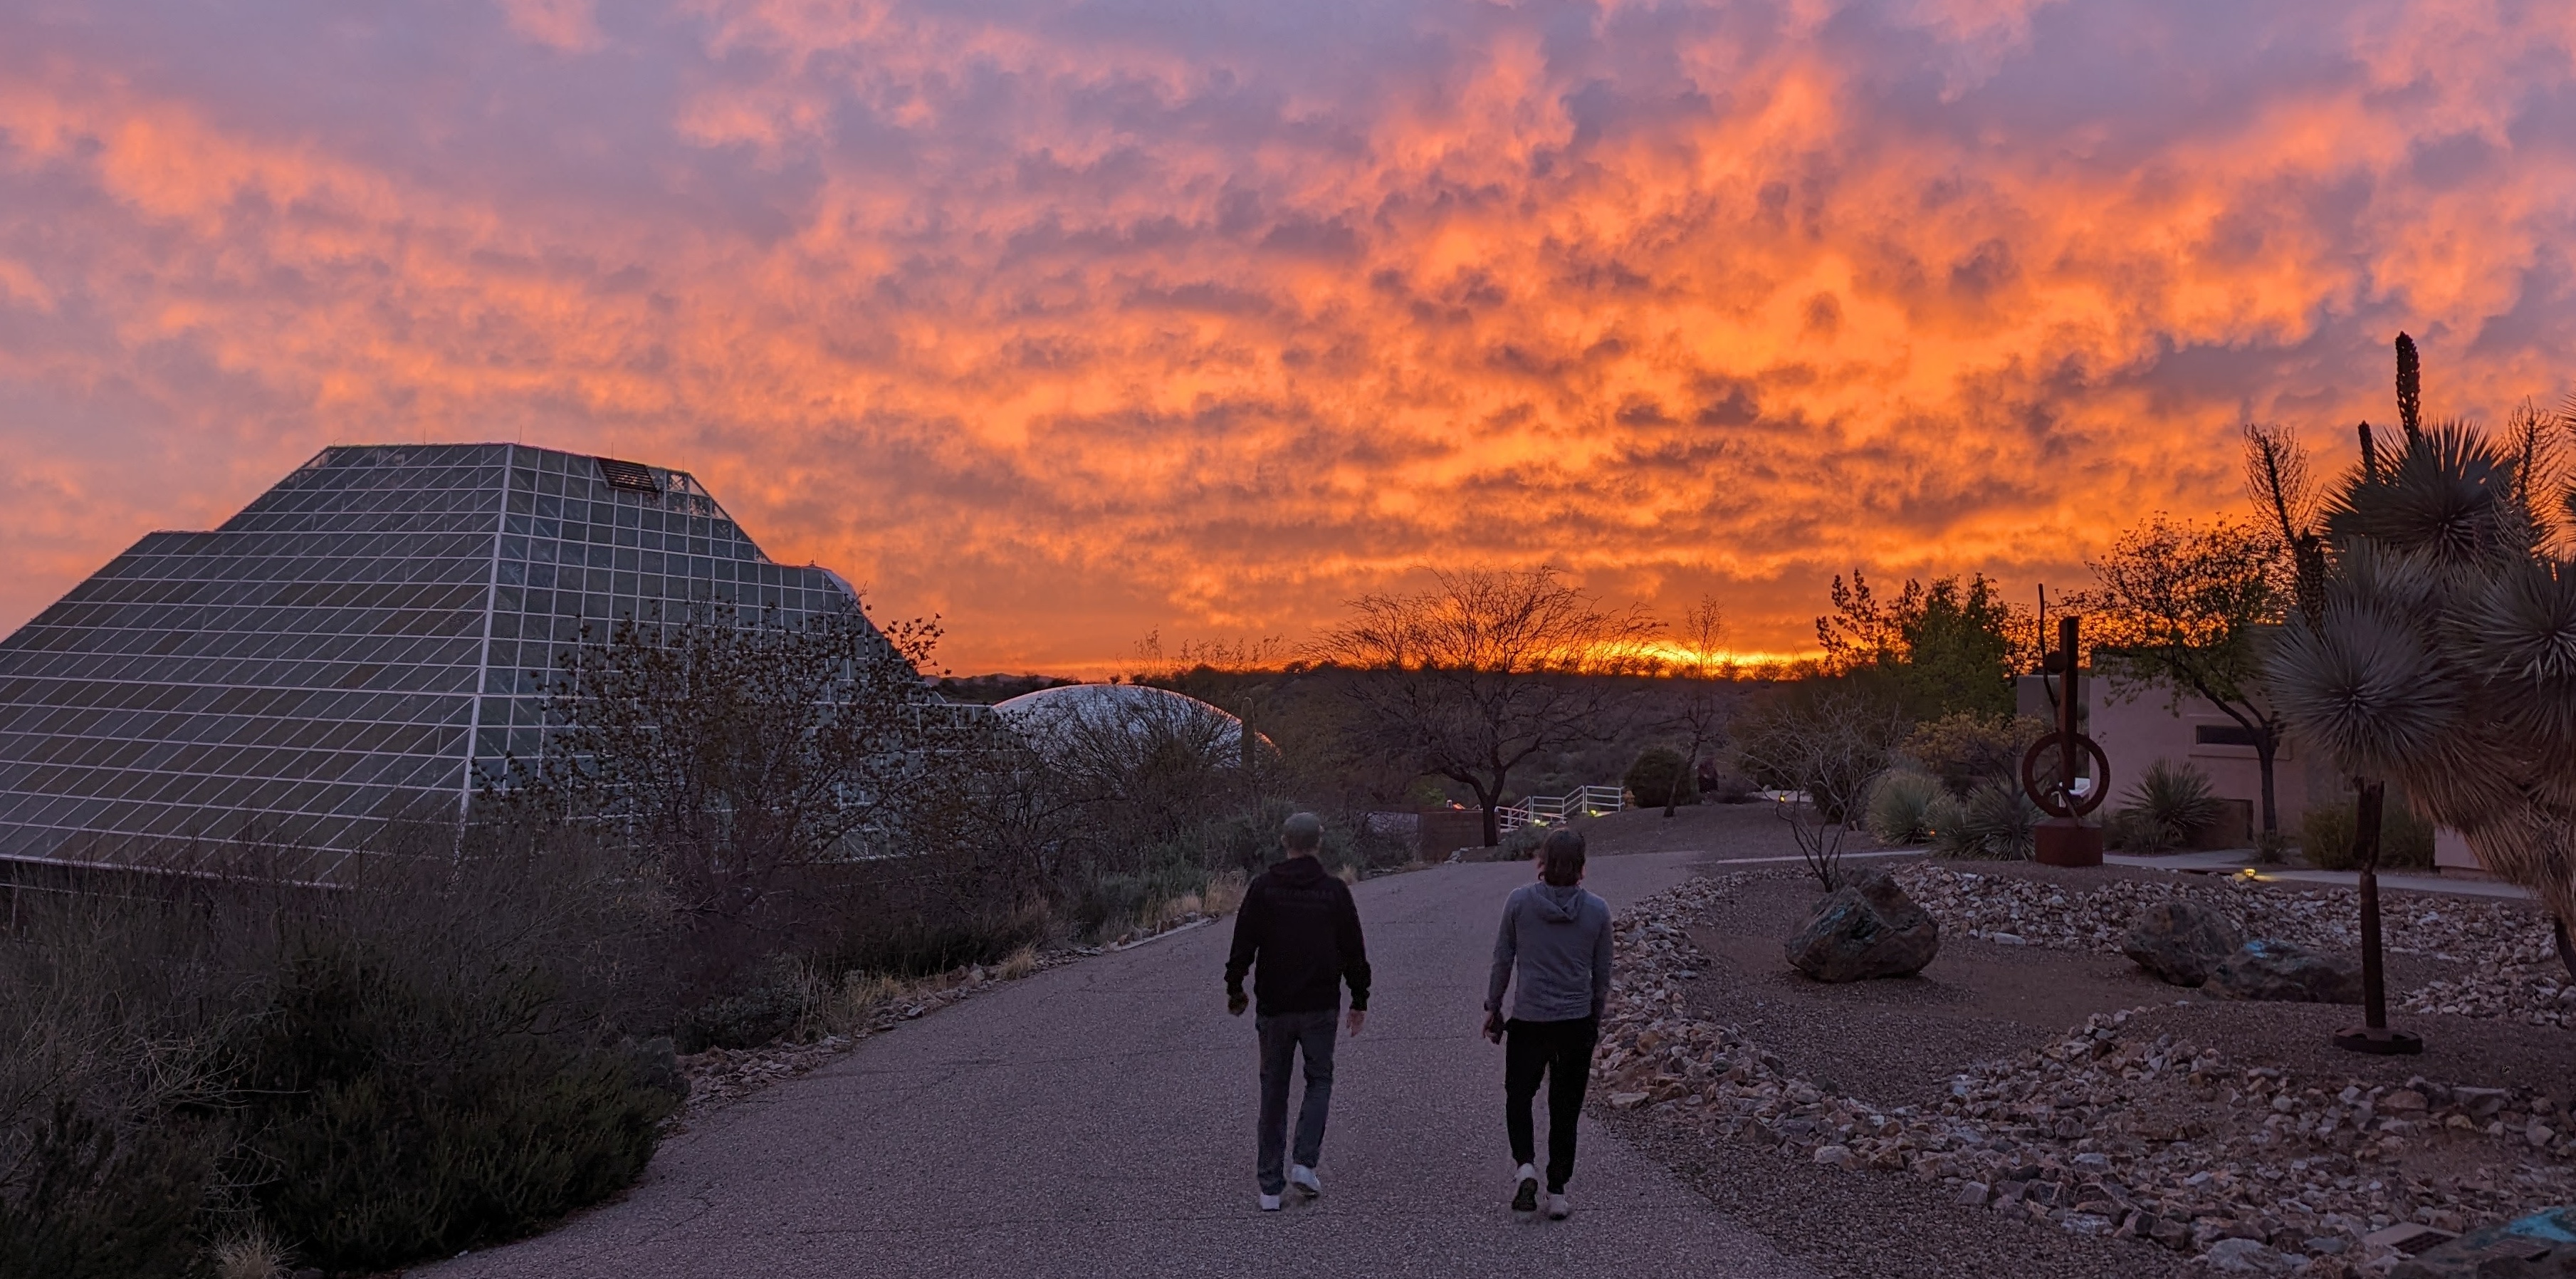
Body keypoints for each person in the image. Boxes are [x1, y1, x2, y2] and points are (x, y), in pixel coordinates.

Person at [1225, 812, 1372, 1211]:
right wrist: (1360, 998)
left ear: (1284, 842)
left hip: (1275, 1006)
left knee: (1273, 1088)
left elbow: (1244, 942)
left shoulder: (1263, 889)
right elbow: (1353, 951)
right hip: (1320, 1003)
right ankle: (1304, 1163)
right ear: (1318, 843)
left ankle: (1269, 1187)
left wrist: (1235, 985)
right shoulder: (1334, 892)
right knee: (1319, 1079)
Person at [1483, 827, 1612, 1221]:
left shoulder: (1519, 903)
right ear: (1582, 867)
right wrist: (1594, 1015)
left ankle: (1525, 1166)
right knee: (1565, 1107)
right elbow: (1602, 972)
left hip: (1530, 1019)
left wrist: (1494, 1007)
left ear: (1542, 861)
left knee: (1518, 1096)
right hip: (1574, 1021)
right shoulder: (1597, 910)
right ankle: (1557, 1190)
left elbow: (1503, 958)